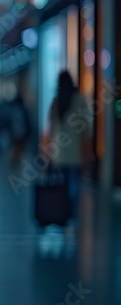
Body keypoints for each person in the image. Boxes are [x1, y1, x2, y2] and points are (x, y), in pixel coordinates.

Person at [44, 71, 90, 214]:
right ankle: (71, 214)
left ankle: (63, 212)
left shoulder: (56, 102)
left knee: (61, 185)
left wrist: (48, 154)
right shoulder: (80, 102)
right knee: (73, 186)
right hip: (74, 154)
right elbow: (84, 131)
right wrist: (87, 155)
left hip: (59, 154)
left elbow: (50, 130)